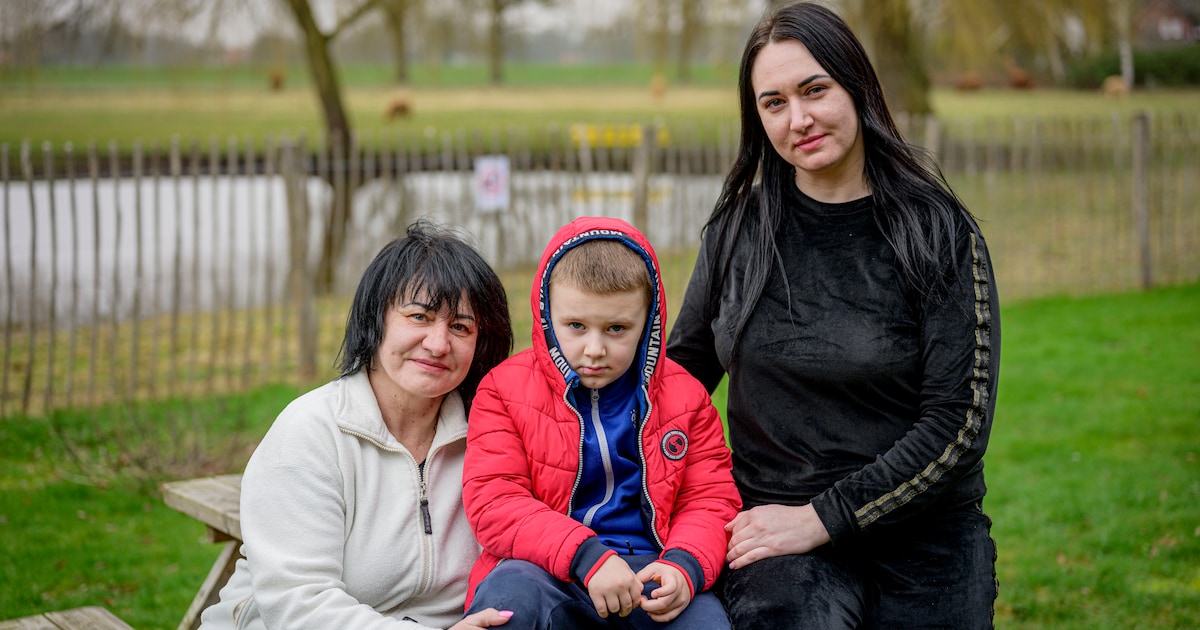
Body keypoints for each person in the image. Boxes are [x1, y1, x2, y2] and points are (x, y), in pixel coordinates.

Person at [665, 3, 1001, 629]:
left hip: (924, 538)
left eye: (814, 90)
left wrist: (822, 519)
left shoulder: (939, 232)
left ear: (856, 84)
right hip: (776, 538)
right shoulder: (739, 228)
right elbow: (679, 377)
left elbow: (958, 425)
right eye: (774, 103)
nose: (799, 119)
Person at [199, 221, 516, 629]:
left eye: (460, 326)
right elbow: (298, 606)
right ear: (376, 318)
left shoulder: (492, 435)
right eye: (419, 316)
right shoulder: (311, 432)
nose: (439, 344)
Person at [461, 216, 741, 629]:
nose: (594, 349)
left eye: (616, 329)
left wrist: (684, 567)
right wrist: (586, 556)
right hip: (551, 568)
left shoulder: (688, 398)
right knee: (508, 605)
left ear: (648, 322)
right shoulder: (503, 390)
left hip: (654, 573)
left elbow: (710, 501)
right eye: (575, 326)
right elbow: (495, 501)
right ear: (545, 313)